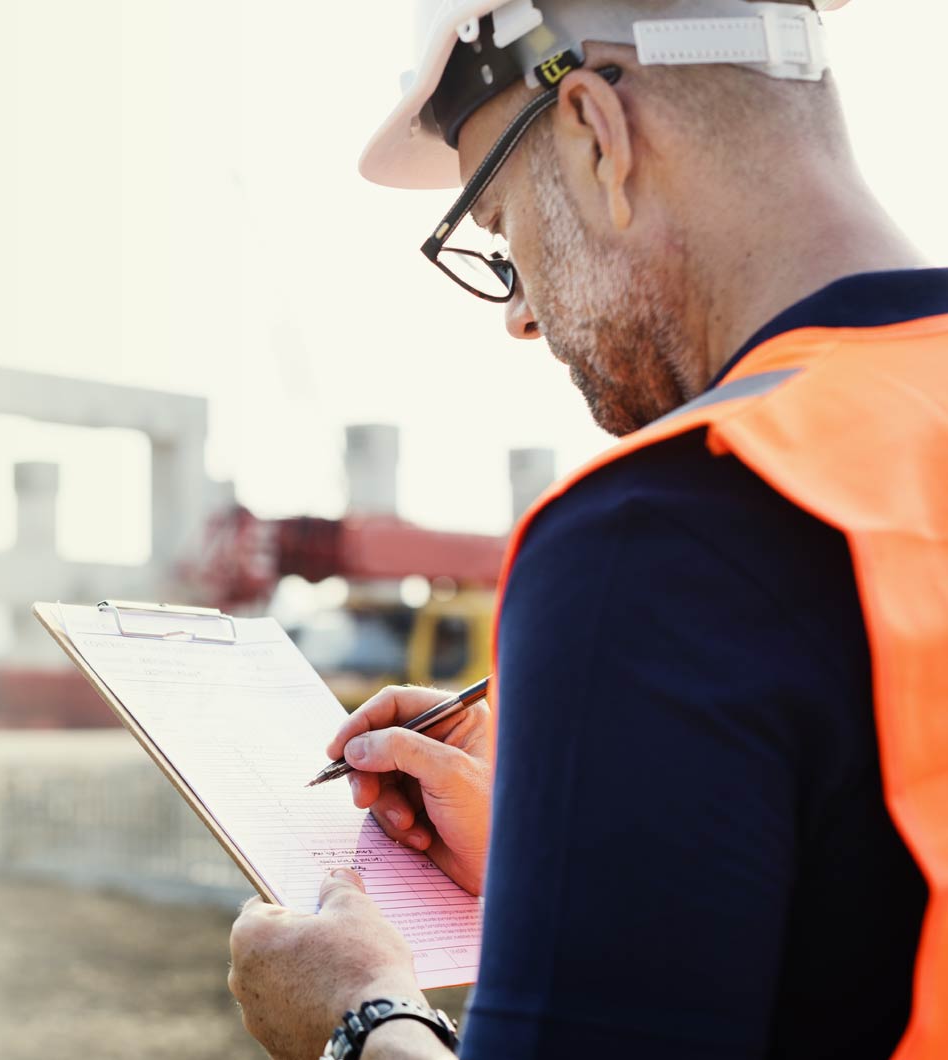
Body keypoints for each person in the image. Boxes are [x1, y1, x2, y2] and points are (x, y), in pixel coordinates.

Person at [225, 2, 945, 1058]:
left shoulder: (657, 534)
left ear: (593, 133)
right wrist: (563, 864)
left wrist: (359, 1019)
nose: (520, 315)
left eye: (502, 232)